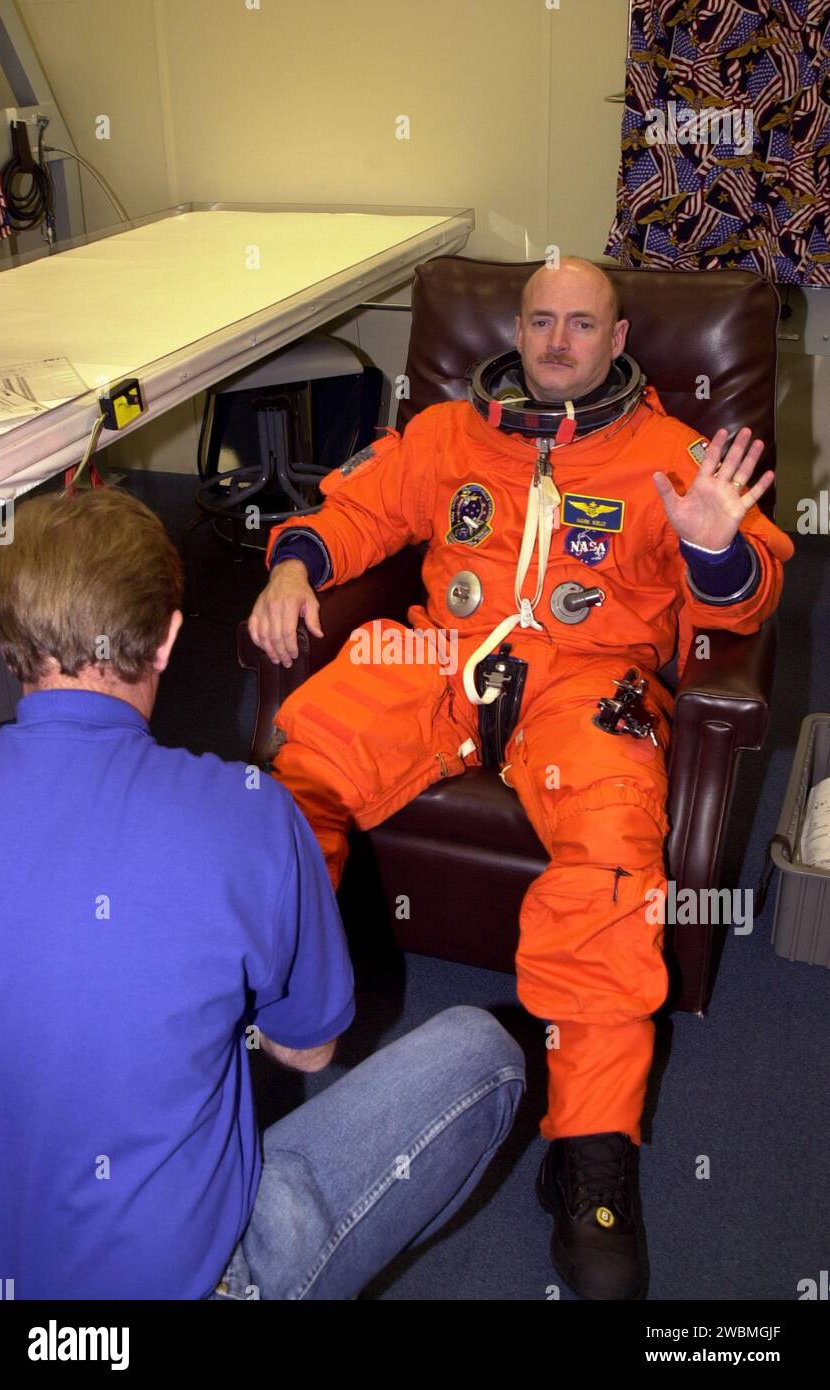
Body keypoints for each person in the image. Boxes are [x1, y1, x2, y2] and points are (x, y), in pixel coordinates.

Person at [248, 257, 794, 1301]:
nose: (556, 341)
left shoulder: (673, 459)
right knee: (294, 782)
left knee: (604, 875)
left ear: (620, 340)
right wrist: (294, 563)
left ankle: (592, 1156)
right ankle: (268, 1032)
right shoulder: (451, 434)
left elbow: (747, 593)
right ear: (518, 327)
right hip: (440, 657)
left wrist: (714, 551)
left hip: (589, 681)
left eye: (580, 324)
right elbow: (358, 509)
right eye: (541, 320)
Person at [0, 487, 524, 1301]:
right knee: (489, 1054)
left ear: (3, 634)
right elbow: (307, 1049)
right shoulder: (249, 809)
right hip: (185, 1286)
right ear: (166, 640)